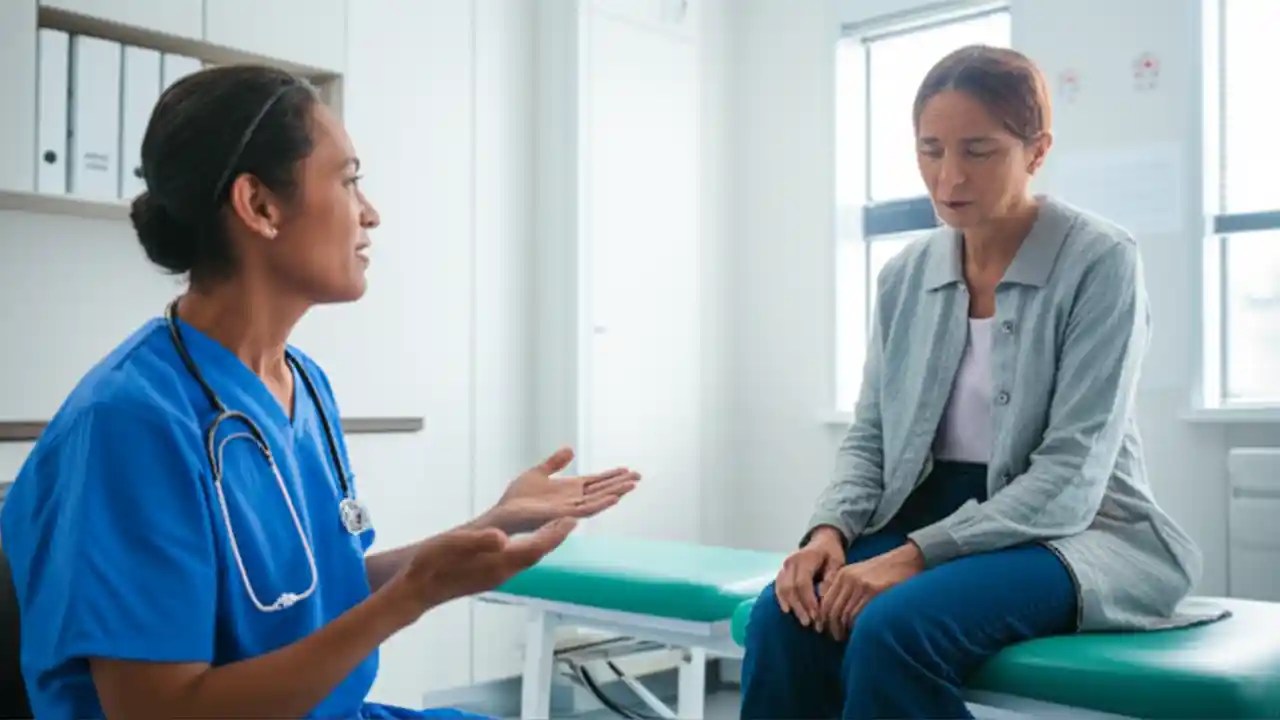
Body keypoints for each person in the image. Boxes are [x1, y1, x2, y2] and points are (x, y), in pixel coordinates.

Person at [0, 64, 641, 720]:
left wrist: (486, 531)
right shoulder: (130, 424)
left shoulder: (301, 383)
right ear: (259, 206)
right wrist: (410, 599)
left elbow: (312, 596)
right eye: (349, 179)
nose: (370, 212)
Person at [740, 45, 1222, 720]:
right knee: (782, 618)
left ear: (1037, 150)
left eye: (979, 151)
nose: (949, 177)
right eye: (930, 149)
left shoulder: (1100, 260)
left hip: (1073, 531)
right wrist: (828, 534)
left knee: (893, 628)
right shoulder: (904, 276)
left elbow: (1072, 474)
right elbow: (871, 438)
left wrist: (912, 557)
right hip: (931, 514)